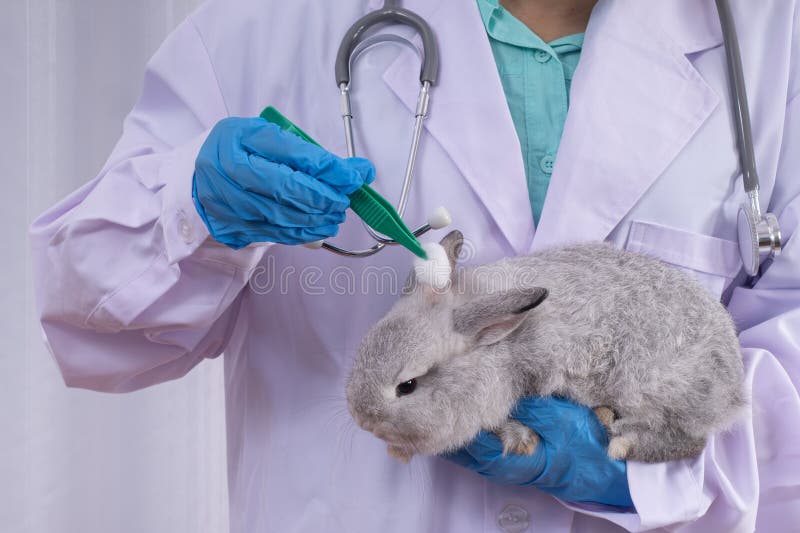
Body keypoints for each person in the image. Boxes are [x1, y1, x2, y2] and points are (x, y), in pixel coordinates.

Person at [29, 0, 800, 531]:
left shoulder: (770, 41)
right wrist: (192, 207)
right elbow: (84, 323)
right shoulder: (278, 24)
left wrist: (649, 470)